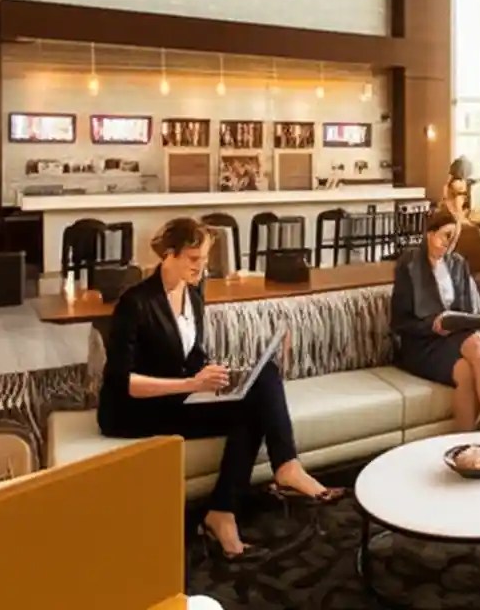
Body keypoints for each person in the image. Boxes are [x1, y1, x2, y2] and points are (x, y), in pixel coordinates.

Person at [97, 218, 343, 561]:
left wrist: (217, 376)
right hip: (135, 409)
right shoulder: (135, 302)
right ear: (169, 255)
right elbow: (124, 384)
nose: (202, 267)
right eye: (194, 259)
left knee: (262, 378)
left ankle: (268, 479)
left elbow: (191, 353)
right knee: (252, 409)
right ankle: (238, 502)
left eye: (205, 259)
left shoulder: (194, 292)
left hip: (180, 392)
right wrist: (192, 384)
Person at [391, 210, 480, 432]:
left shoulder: (457, 264)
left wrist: (462, 322)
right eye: (446, 235)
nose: (449, 243)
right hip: (420, 343)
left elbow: (466, 311)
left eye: (454, 238)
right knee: (476, 344)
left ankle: (465, 446)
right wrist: (432, 325)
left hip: (452, 339)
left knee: (466, 372)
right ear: (429, 234)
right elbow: (399, 322)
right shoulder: (409, 265)